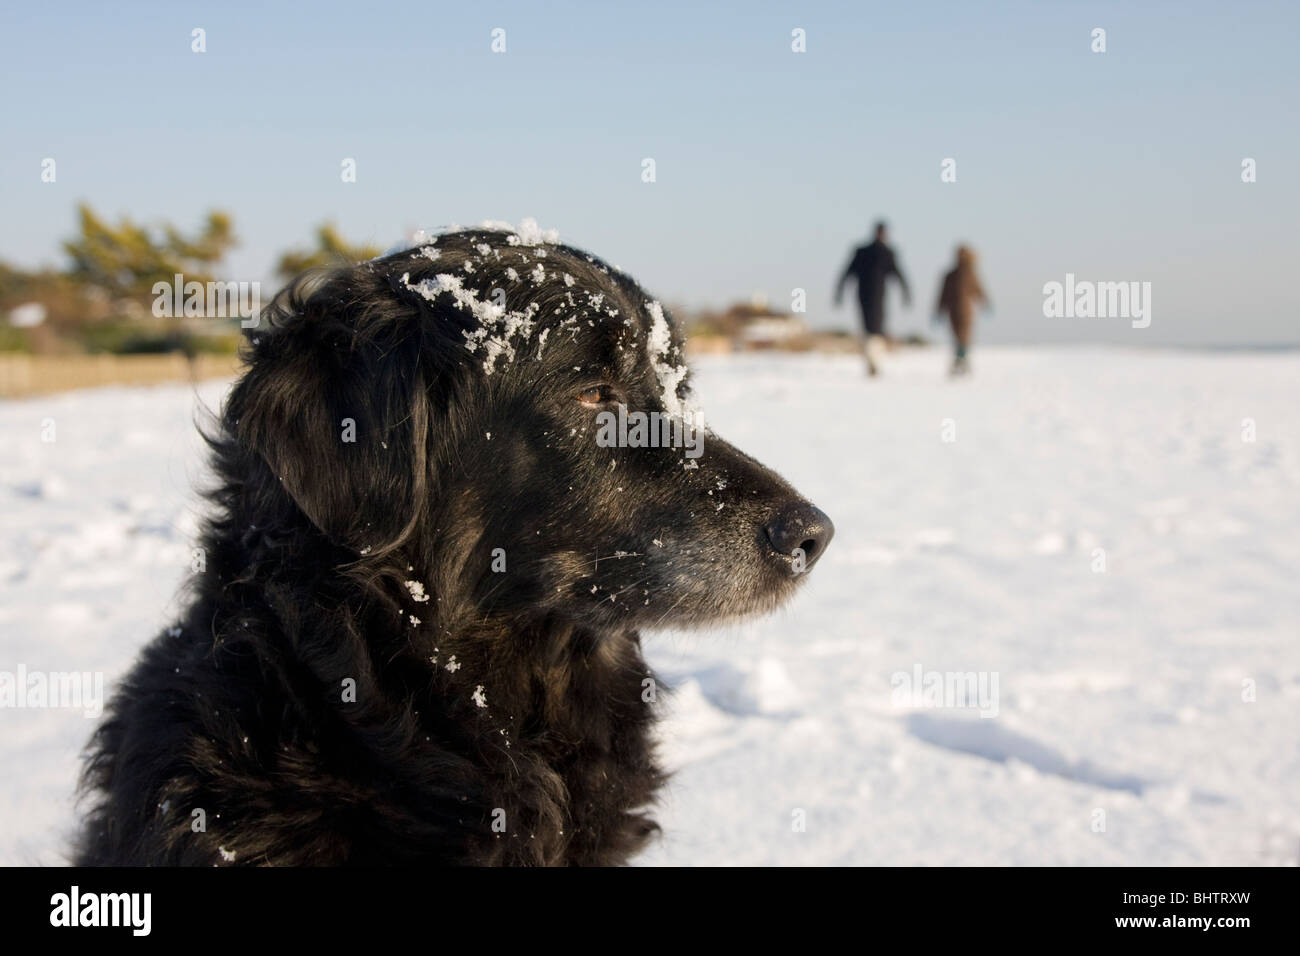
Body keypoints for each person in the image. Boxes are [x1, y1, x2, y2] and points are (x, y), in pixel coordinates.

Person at [834, 221, 911, 376]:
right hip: (868, 296)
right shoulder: (864, 252)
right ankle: (872, 360)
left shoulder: (883, 252)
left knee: (873, 330)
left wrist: (906, 293)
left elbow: (899, 275)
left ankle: (872, 360)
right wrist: (839, 292)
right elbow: (847, 273)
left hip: (876, 297)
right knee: (871, 330)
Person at [933, 244, 989, 376]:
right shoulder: (950, 275)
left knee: (963, 338)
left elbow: (978, 290)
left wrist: (985, 302)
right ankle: (960, 361)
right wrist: (938, 310)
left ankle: (961, 360)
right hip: (954, 312)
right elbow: (943, 295)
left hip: (965, 312)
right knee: (958, 338)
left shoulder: (970, 274)